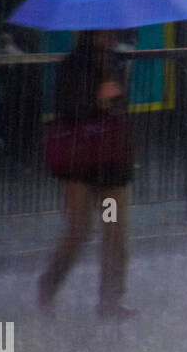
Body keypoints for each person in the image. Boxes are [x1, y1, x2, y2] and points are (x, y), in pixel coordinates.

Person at [37, 30, 136, 321]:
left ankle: (110, 302)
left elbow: (121, 107)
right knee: (79, 228)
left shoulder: (116, 61)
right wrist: (97, 100)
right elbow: (67, 109)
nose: (108, 35)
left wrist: (113, 99)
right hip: (78, 159)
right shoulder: (73, 64)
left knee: (114, 230)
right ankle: (49, 285)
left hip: (110, 159)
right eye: (102, 30)